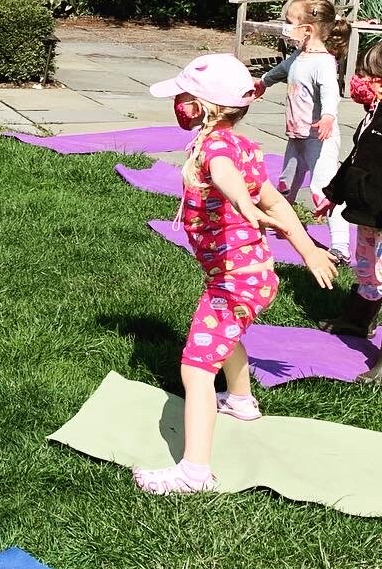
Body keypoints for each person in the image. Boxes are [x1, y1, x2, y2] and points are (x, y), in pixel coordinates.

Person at [136, 55, 336, 495]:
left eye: (184, 97)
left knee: (196, 366)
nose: (179, 104)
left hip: (235, 279)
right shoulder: (242, 145)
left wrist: (246, 209)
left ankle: (194, 472)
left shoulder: (216, 149)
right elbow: (277, 202)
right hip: (247, 276)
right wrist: (307, 250)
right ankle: (241, 401)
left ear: (204, 106)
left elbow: (225, 177)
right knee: (225, 335)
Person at [251, 0, 350, 260]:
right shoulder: (298, 56)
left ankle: (340, 245)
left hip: (320, 139)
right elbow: (282, 69)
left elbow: (331, 91)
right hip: (296, 137)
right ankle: (283, 224)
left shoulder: (323, 62)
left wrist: (328, 116)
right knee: (285, 184)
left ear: (307, 30)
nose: (285, 27)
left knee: (323, 191)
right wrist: (263, 82)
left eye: (289, 22)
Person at [321, 41, 382, 347]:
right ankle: (358, 320)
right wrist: (334, 193)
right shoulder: (373, 114)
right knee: (367, 269)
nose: (360, 81)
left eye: (368, 75)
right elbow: (356, 157)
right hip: (369, 213)